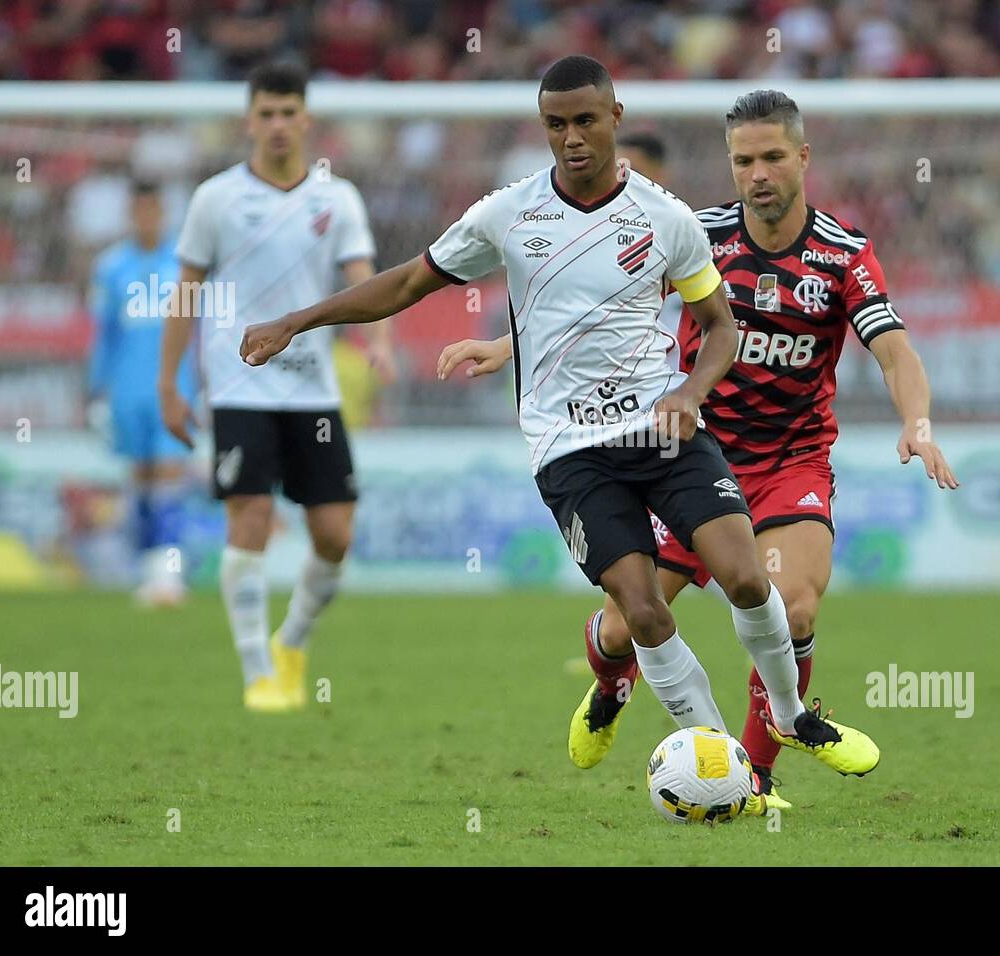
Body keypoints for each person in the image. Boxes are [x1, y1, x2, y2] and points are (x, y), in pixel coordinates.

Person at [238, 56, 879, 797]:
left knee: (744, 576)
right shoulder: (505, 214)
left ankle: (794, 716)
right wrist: (299, 319)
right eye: (554, 124)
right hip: (571, 452)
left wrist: (692, 391)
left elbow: (719, 326)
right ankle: (724, 770)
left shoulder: (665, 218)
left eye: (583, 120)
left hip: (663, 432)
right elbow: (410, 282)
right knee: (640, 611)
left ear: (615, 117)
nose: (570, 137)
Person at [440, 90, 958, 809]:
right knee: (628, 625)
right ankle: (612, 679)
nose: (758, 173)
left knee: (791, 606)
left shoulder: (843, 255)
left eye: (773, 156)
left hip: (789, 464)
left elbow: (896, 352)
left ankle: (756, 774)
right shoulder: (695, 233)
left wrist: (919, 423)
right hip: (685, 454)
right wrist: (506, 347)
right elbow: (597, 307)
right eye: (744, 160)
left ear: (802, 158)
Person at [158, 60, 395, 713]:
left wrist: (376, 341)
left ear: (306, 118)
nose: (279, 124)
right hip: (239, 386)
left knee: (335, 536)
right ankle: (257, 670)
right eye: (267, 113)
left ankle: (291, 641)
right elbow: (185, 294)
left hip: (313, 391)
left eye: (289, 112)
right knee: (251, 520)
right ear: (249, 120)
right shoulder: (216, 198)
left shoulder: (336, 198)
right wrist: (170, 385)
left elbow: (361, 280)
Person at [88, 179, 192, 607]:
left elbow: (200, 329)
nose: (146, 219)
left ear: (163, 213)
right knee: (140, 480)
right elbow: (105, 334)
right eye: (139, 211)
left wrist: (202, 385)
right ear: (131, 214)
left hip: (174, 387)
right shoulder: (111, 267)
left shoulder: (185, 262)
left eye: (153, 210)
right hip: (128, 391)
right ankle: (150, 571)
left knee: (170, 475)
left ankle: (169, 576)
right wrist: (96, 390)